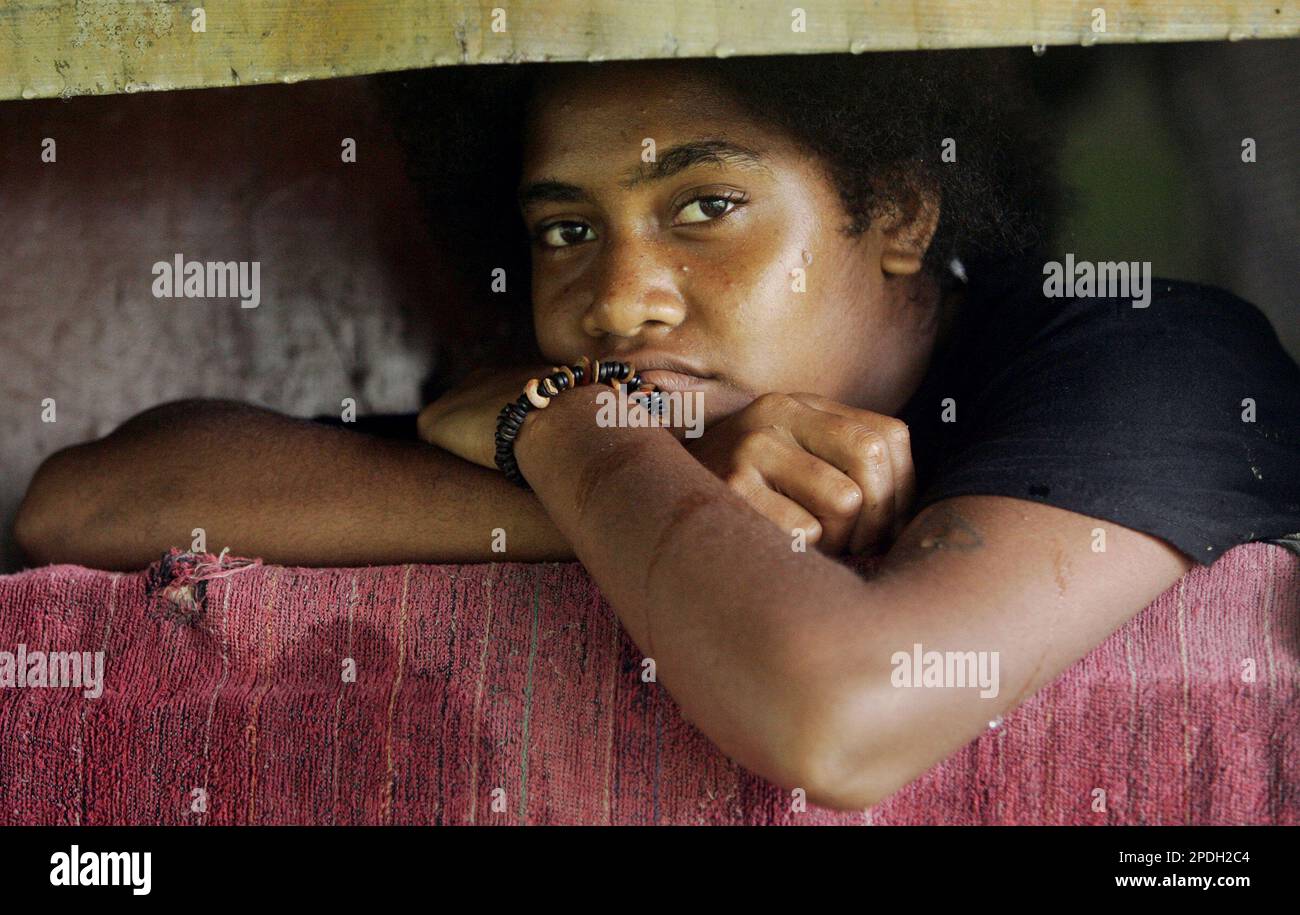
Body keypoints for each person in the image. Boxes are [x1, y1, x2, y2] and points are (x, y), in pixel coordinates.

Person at [15, 52, 1299, 810]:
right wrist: (605, 473)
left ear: (900, 212)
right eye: (567, 230)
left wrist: (574, 442)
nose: (615, 302)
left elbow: (839, 718)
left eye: (705, 205)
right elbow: (86, 504)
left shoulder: (1145, 351)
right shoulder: (627, 410)